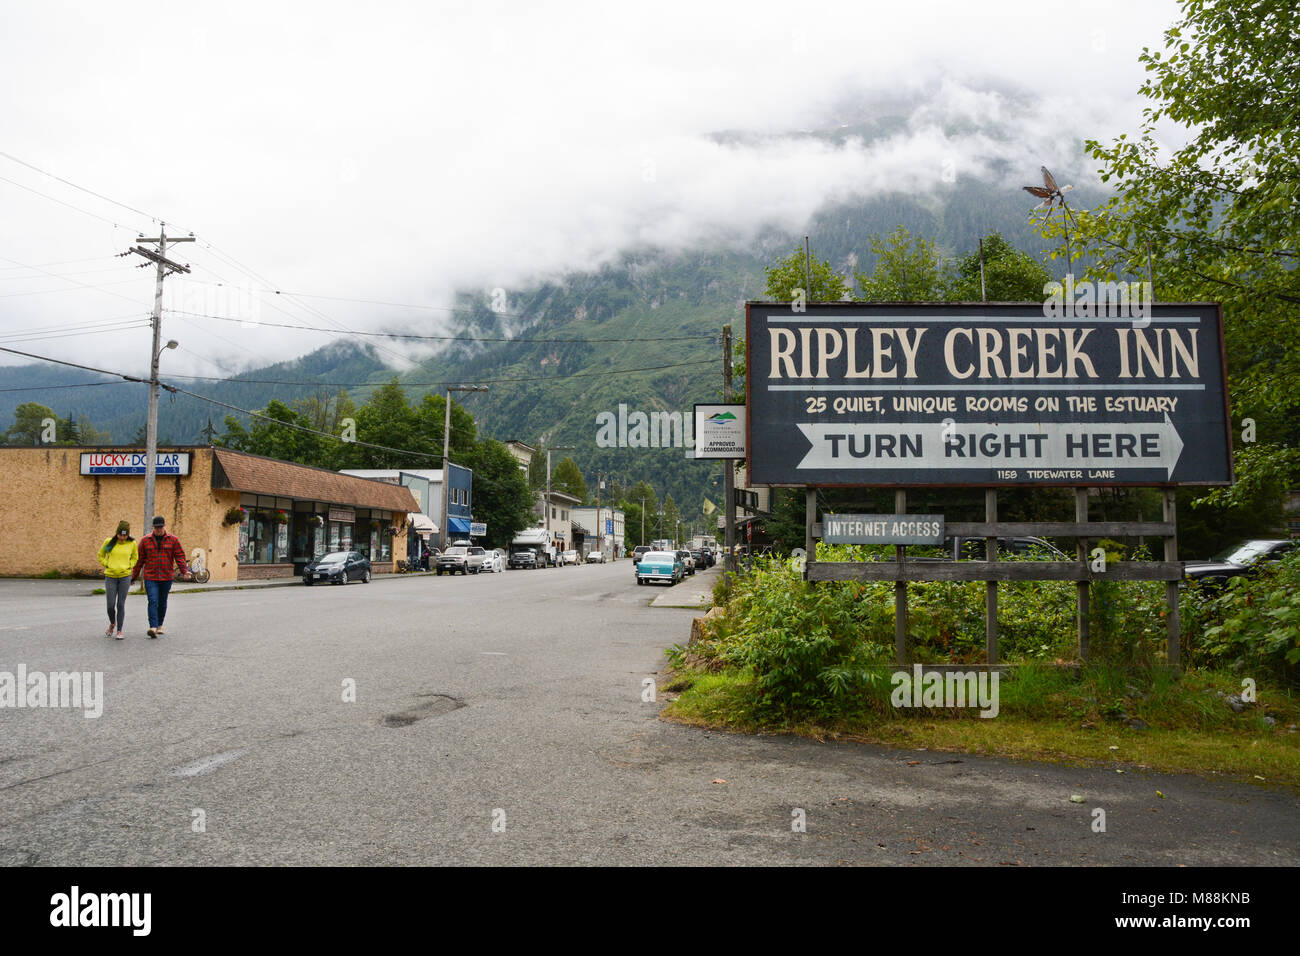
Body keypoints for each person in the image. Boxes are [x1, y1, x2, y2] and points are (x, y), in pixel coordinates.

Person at [131, 515, 189, 639]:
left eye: (161, 527)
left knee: (162, 602)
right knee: (153, 601)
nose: (159, 529)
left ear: (164, 526)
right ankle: (152, 627)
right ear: (153, 527)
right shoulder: (145, 540)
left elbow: (179, 556)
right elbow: (139, 560)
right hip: (151, 576)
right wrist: (133, 577)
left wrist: (184, 571)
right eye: (157, 527)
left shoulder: (173, 540)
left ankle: (160, 625)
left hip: (166, 576)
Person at [97, 520, 137, 640]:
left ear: (128, 534)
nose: (122, 537)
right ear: (117, 533)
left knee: (120, 604)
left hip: (125, 576)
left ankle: (119, 630)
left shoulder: (132, 543)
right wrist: (107, 564)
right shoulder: (110, 542)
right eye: (120, 535)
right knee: (110, 605)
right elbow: (100, 555)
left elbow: (135, 557)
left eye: (125, 535)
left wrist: (130, 565)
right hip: (111, 577)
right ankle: (112, 623)